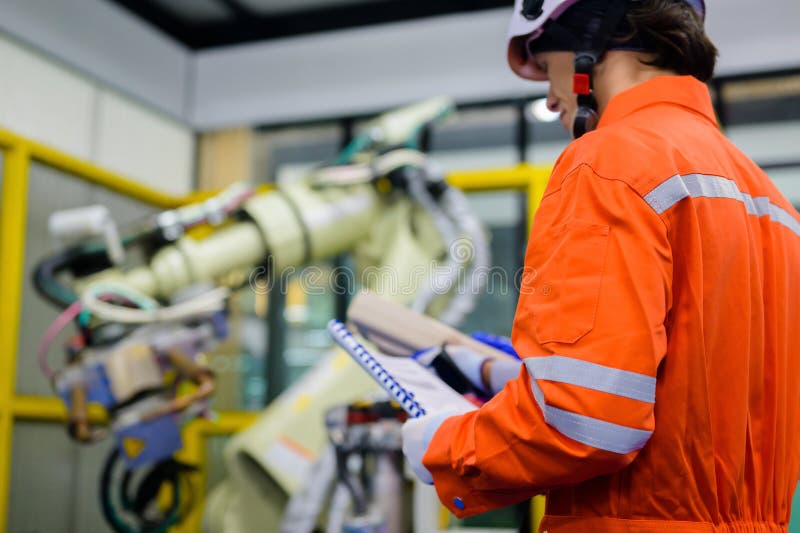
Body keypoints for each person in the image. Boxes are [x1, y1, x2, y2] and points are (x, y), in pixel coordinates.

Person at [401, 0, 800, 531]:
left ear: (593, 36)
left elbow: (587, 419)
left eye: (546, 66)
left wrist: (445, 444)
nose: (549, 95)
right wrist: (515, 380)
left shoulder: (609, 162)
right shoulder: (771, 201)